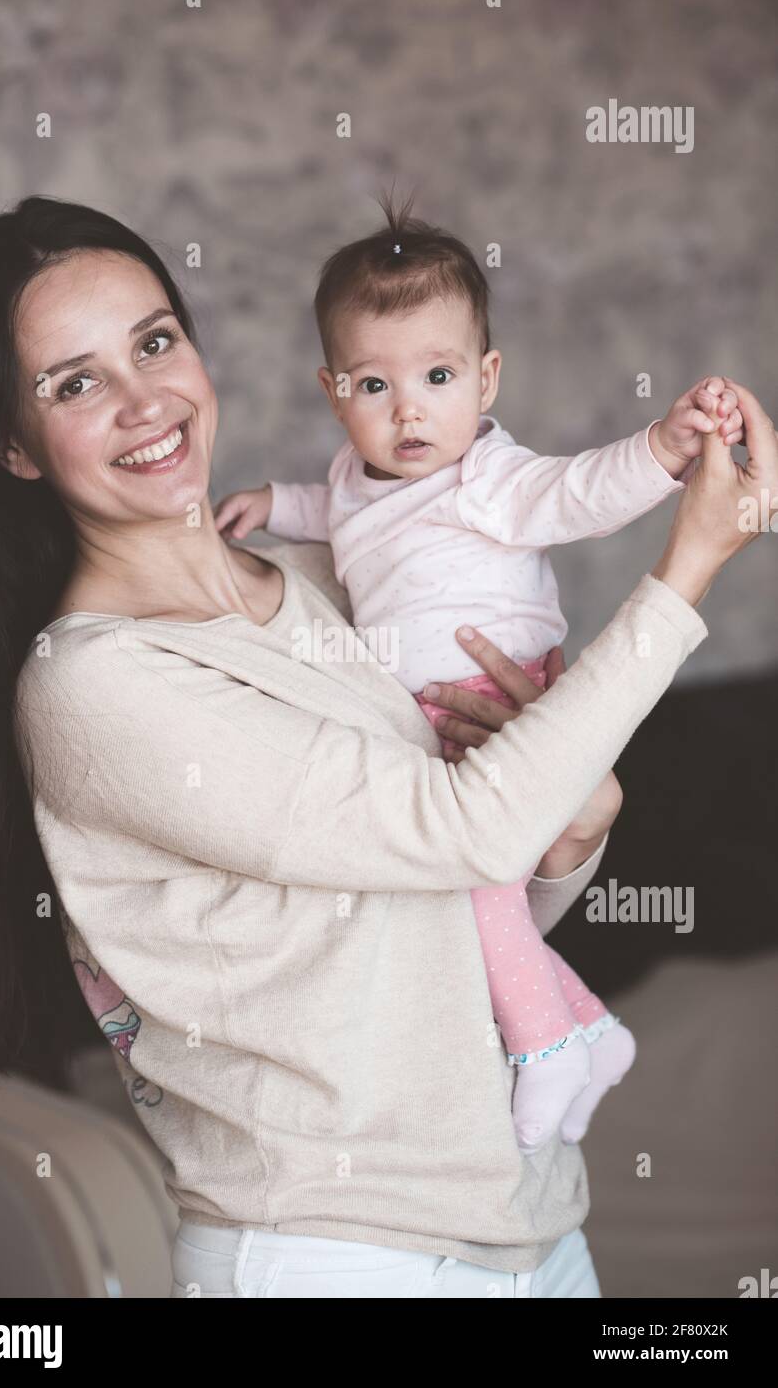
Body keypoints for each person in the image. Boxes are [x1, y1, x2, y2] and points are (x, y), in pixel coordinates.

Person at [0, 195, 774, 1300]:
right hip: (335, 1251)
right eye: (74, 383)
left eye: (155, 342)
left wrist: (573, 833)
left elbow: (445, 915)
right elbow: (462, 825)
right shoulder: (100, 684)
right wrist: (689, 566)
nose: (144, 403)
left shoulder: (329, 583)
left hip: (533, 1223)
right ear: (12, 444)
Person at [211, 193, 747, 1157]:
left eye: (438, 375)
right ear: (333, 391)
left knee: (464, 882)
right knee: (453, 899)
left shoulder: (485, 479)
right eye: (373, 386)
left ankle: (543, 1043)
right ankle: (586, 1025)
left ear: (486, 379)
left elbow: (581, 491)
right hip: (421, 717)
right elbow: (332, 514)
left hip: (502, 699)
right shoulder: (348, 478)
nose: (408, 408)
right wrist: (267, 502)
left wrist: (665, 449)